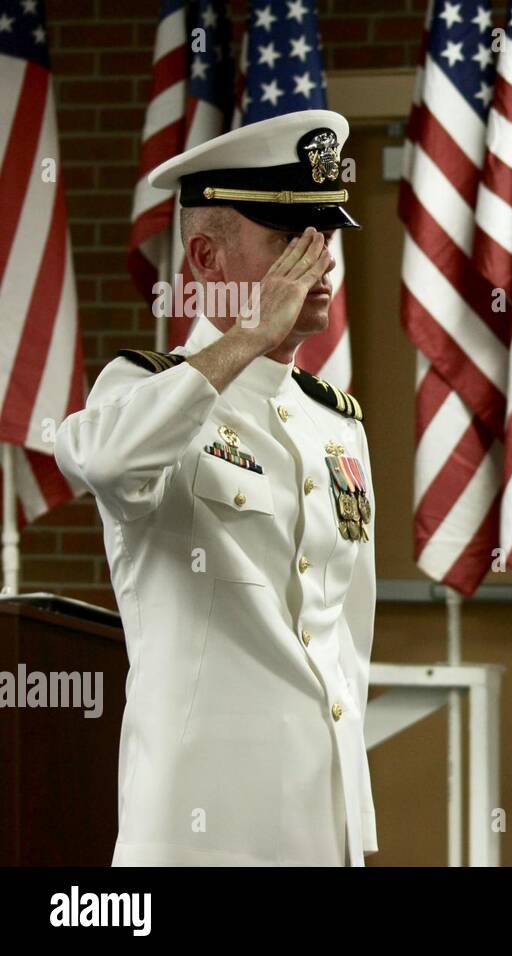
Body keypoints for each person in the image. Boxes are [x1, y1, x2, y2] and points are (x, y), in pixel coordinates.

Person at [55, 110, 377, 866]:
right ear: (204, 259)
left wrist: (351, 825)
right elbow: (102, 460)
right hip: (198, 832)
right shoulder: (144, 391)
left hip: (318, 825)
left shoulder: (336, 423)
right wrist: (246, 340)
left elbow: (344, 642)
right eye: (289, 241)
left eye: (324, 237)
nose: (320, 262)